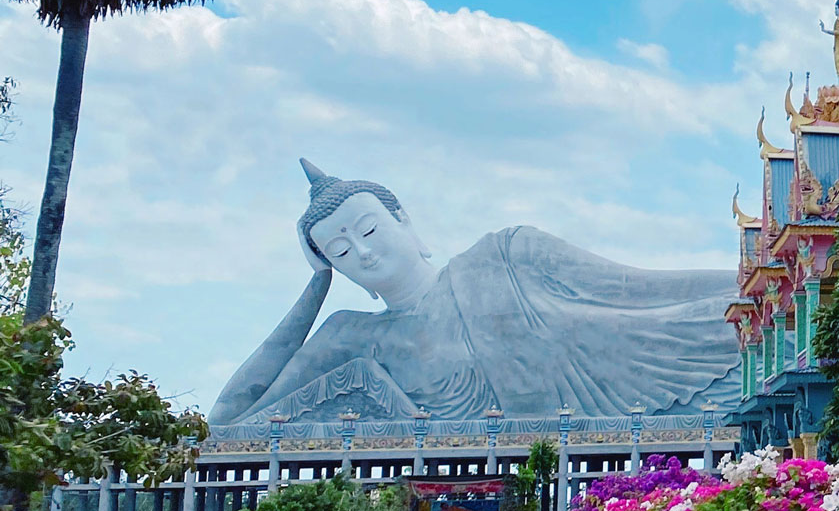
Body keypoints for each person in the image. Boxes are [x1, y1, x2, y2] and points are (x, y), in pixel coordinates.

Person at [210, 161, 740, 426]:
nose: (363, 253)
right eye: (341, 253)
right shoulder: (352, 336)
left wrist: (754, 278)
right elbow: (229, 420)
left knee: (745, 312)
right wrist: (316, 283)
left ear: (404, 222)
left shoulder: (509, 253)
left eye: (368, 231)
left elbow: (644, 290)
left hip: (638, 371)